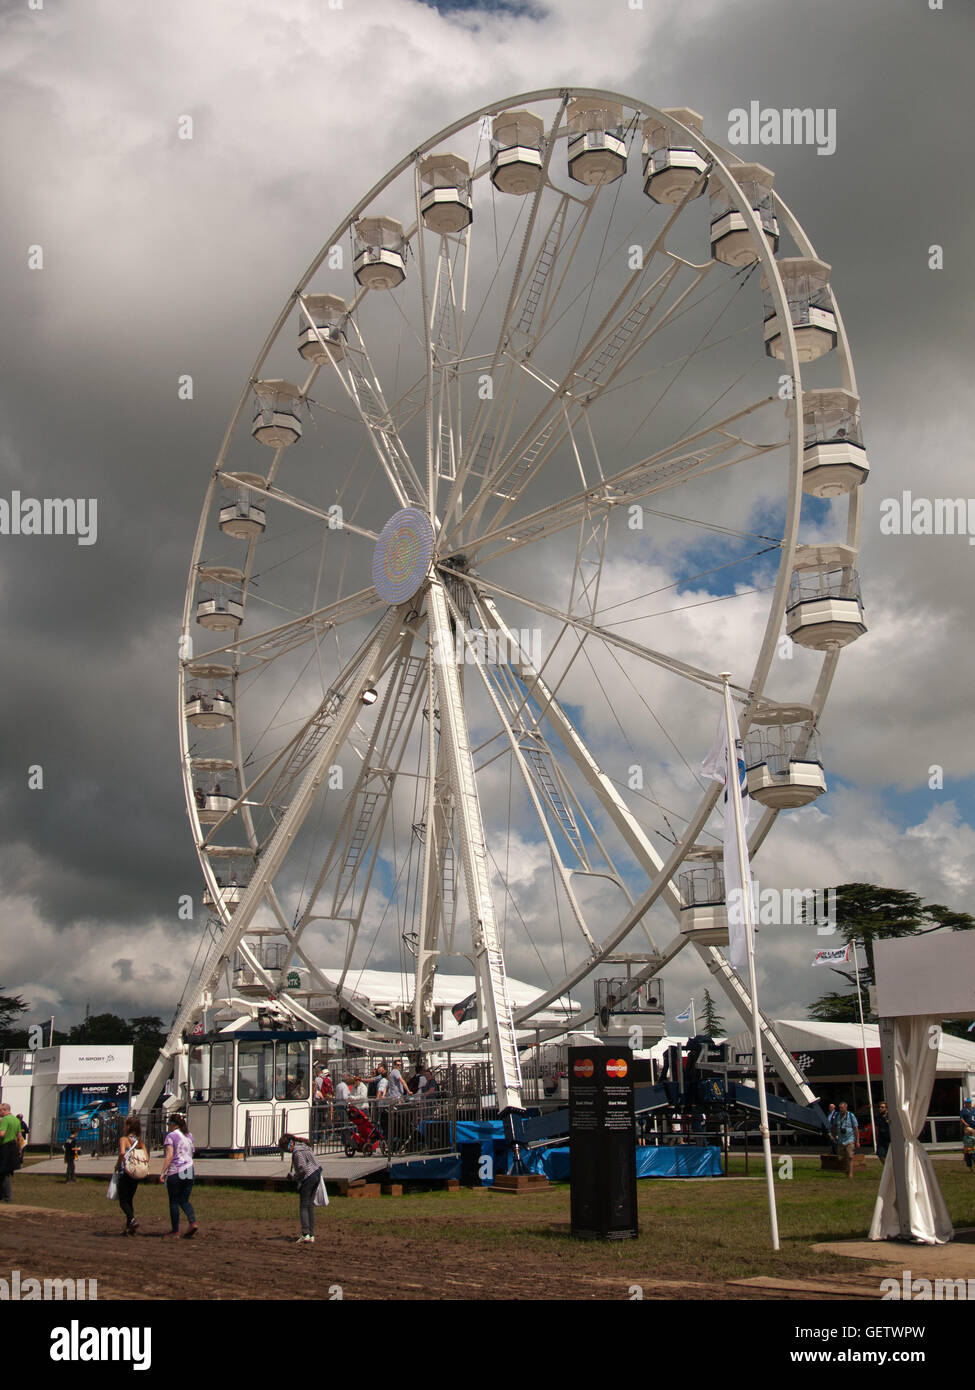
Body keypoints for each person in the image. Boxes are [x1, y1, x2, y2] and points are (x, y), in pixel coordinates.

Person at [278, 1133, 322, 1245]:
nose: (286, 1151)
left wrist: (294, 1178)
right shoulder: (304, 1146)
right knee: (310, 1206)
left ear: (289, 1144)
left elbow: (302, 1169)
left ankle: (305, 1234)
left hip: (308, 1177)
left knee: (303, 1206)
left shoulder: (297, 1152)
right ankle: (311, 1235)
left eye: (285, 1149)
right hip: (317, 1174)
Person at [159, 1115, 198, 1238]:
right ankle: (192, 1222)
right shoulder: (189, 1136)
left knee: (174, 1202)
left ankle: (175, 1231)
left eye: (169, 1123)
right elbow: (192, 1152)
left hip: (177, 1170)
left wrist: (163, 1172)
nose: (168, 1126)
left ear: (174, 1125)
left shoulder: (171, 1136)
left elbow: (169, 1155)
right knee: (184, 1200)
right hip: (189, 1169)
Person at [116, 1116, 149, 1235]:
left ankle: (132, 1220)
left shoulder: (124, 1139)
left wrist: (118, 1164)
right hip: (135, 1174)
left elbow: (122, 1153)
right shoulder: (140, 1142)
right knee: (129, 1200)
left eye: (125, 1125)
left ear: (129, 1126)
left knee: (123, 1201)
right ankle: (129, 1228)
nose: (124, 1127)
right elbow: (146, 1157)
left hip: (126, 1173)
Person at [830, 1101, 859, 1179]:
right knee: (841, 1158)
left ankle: (850, 1174)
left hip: (850, 1139)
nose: (840, 1109)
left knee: (850, 1156)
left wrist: (857, 1140)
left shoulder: (851, 1116)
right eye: (839, 1108)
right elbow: (835, 1126)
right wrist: (833, 1135)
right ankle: (847, 1169)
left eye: (842, 1108)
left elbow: (856, 1128)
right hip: (841, 1140)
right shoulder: (837, 1116)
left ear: (846, 1108)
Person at [0, 1105, 22, 1202]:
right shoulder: (16, 1120)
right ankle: (4, 1195)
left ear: (4, 1110)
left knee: (3, 1172)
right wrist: (20, 1149)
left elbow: (2, 1134)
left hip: (5, 1147)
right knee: (6, 1172)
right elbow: (19, 1136)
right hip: (13, 1147)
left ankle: (7, 1196)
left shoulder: (5, 1119)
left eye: (0, 1110)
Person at [960, 1096, 975, 1172]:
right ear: (965, 1103)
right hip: (968, 1128)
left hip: (974, 1126)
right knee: (968, 1141)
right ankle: (966, 1153)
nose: (969, 1104)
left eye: (970, 1103)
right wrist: (965, 1124)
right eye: (967, 1103)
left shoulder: (973, 1110)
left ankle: (969, 1152)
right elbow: (961, 1118)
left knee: (972, 1142)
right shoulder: (963, 1110)